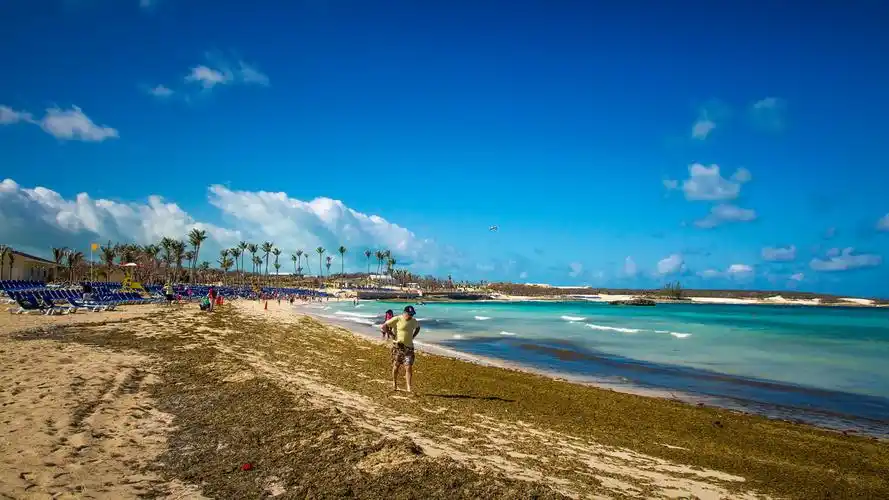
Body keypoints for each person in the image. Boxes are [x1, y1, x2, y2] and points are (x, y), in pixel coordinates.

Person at [381, 305, 421, 392]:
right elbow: (384, 326)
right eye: (409, 314)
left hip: (409, 348)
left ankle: (409, 388)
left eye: (412, 314)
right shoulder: (397, 319)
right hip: (398, 347)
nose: (411, 316)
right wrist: (391, 334)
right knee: (396, 366)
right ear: (405, 313)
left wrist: (413, 336)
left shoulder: (414, 321)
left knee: (408, 367)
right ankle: (394, 384)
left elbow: (418, 327)